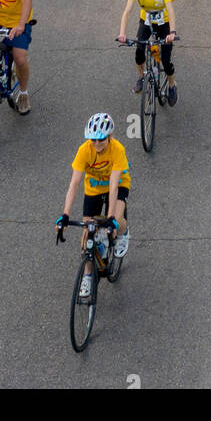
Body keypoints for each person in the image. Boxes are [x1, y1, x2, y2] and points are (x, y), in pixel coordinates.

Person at [56, 114, 131, 295]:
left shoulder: (117, 150)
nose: (97, 144)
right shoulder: (84, 150)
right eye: (93, 139)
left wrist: (111, 217)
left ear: (110, 136)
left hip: (118, 185)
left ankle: (123, 233)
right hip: (94, 189)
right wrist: (65, 214)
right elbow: (74, 184)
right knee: (87, 234)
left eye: (101, 139)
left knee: (117, 221)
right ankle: (88, 276)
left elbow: (113, 186)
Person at [118, 0, 178, 105]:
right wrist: (122, 33)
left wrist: (172, 32)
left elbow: (170, 9)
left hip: (163, 23)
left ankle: (171, 86)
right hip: (146, 21)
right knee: (139, 50)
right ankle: (141, 77)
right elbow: (127, 11)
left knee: (165, 60)